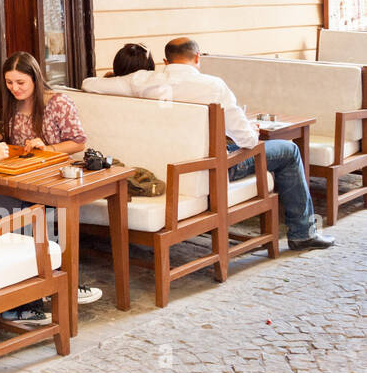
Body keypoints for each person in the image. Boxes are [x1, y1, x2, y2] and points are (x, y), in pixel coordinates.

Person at [141, 38, 333, 251]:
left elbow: (98, 83)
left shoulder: (147, 83)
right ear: (197, 57)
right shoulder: (213, 86)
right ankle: (303, 233)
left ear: (165, 61)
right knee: (289, 150)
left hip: (168, 168)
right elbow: (247, 141)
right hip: (213, 169)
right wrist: (252, 130)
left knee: (232, 146)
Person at [0, 52, 98, 320]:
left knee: (26, 213)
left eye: (21, 82)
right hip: (24, 177)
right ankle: (27, 288)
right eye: (9, 83)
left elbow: (79, 142)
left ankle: (50, 283)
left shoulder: (58, 102)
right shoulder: (11, 104)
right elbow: (15, 142)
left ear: (35, 78)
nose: (15, 88)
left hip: (53, 178)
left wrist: (49, 147)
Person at [81, 42, 167, 96]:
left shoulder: (118, 85)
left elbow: (87, 84)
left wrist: (109, 79)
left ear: (118, 64)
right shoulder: (158, 85)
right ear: (150, 66)